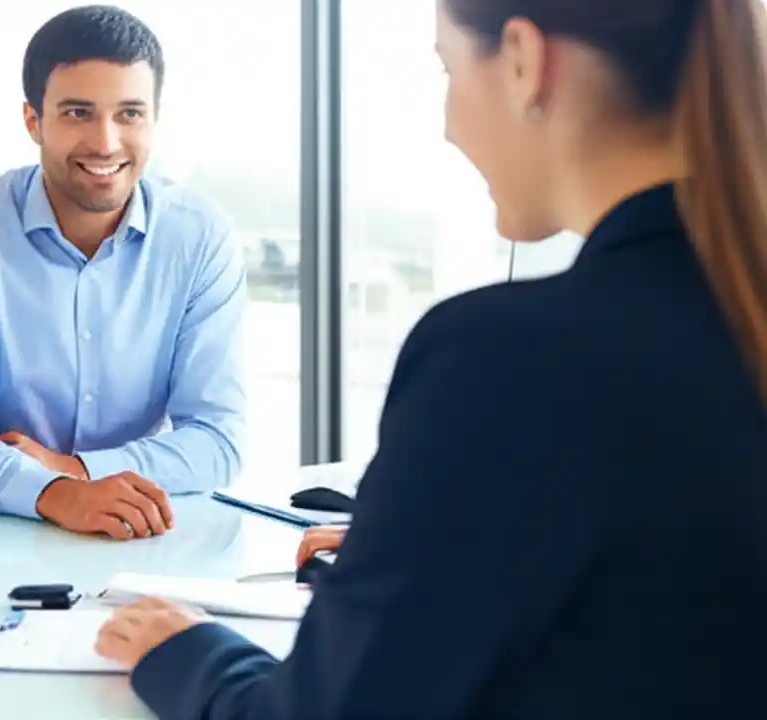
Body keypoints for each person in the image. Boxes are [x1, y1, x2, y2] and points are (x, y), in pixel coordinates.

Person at [96, 1, 767, 716]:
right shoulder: (727, 313)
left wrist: (188, 653)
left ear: (521, 61)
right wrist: (419, 539)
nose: (447, 125)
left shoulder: (509, 358)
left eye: (448, 67)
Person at [0, 6, 246, 540]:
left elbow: (217, 439)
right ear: (33, 121)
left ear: (155, 118)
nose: (106, 142)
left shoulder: (200, 237)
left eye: (129, 114)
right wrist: (56, 495)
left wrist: (79, 472)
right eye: (77, 113)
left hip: (138, 535)